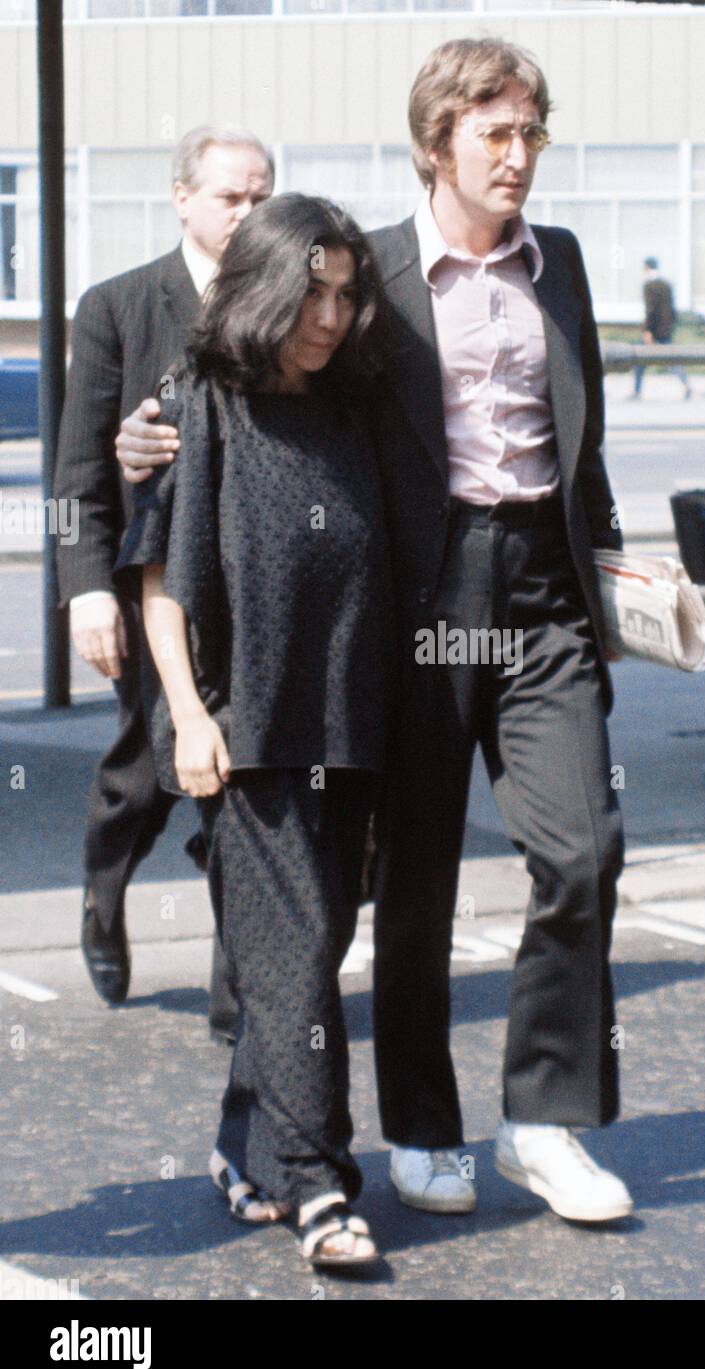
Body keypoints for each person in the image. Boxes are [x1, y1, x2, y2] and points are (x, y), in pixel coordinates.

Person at [116, 36, 634, 1227]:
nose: (518, 158)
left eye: (531, 135)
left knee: (583, 852)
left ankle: (545, 1120)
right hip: (419, 593)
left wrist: (609, 573)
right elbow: (250, 364)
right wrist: (151, 431)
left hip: (544, 597)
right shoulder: (374, 277)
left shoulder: (561, 269)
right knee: (417, 875)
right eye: (494, 135)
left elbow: (581, 439)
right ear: (434, 145)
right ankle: (421, 1122)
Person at [115, 193, 391, 1269]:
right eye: (309, 292)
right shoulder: (201, 403)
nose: (327, 315)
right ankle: (324, 1190)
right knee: (296, 961)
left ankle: (245, 1145)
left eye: (343, 294)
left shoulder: (353, 406)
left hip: (349, 725)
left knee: (307, 946)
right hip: (245, 723)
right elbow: (161, 584)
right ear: (266, 287)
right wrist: (187, 716)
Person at [54, 126, 273, 1038]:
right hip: (157, 586)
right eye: (233, 197)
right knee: (146, 777)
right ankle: (104, 892)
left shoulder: (292, 304)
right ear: (182, 198)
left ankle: (238, 989)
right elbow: (76, 470)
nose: (251, 213)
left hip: (260, 588)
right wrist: (84, 586)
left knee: (245, 781)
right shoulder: (116, 307)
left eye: (265, 196)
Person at [633, 255, 692, 400]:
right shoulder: (667, 285)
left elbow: (650, 310)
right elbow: (672, 309)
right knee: (671, 359)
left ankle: (637, 391)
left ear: (647, 268)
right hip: (665, 329)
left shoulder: (648, 286)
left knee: (639, 360)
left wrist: (647, 330)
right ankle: (686, 385)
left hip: (653, 330)